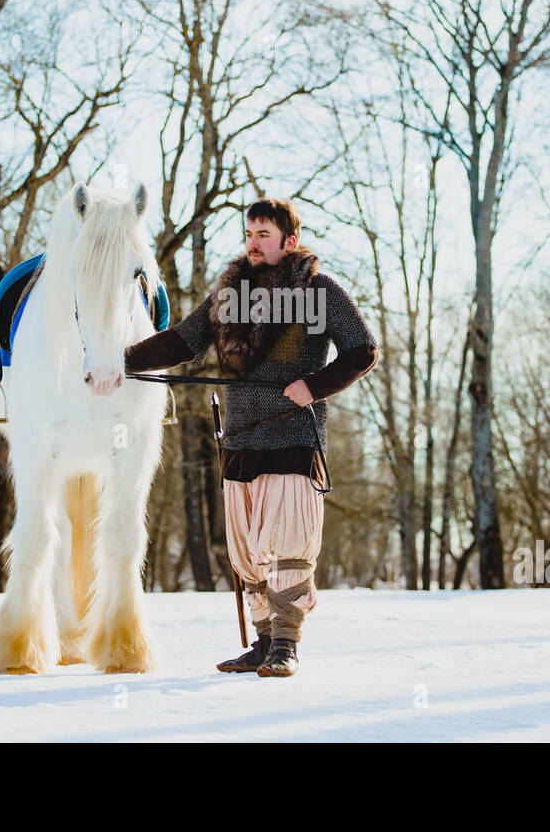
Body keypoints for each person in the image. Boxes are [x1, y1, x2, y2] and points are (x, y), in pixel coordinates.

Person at [124, 198, 378, 676]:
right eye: (250, 233)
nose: (254, 242)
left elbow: (363, 350)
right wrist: (120, 361)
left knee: (288, 542)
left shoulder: (318, 293)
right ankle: (263, 644)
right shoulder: (229, 296)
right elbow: (183, 341)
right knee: (245, 549)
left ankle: (287, 644)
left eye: (264, 234)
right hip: (239, 439)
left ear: (290, 240)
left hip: (293, 436)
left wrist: (313, 385)